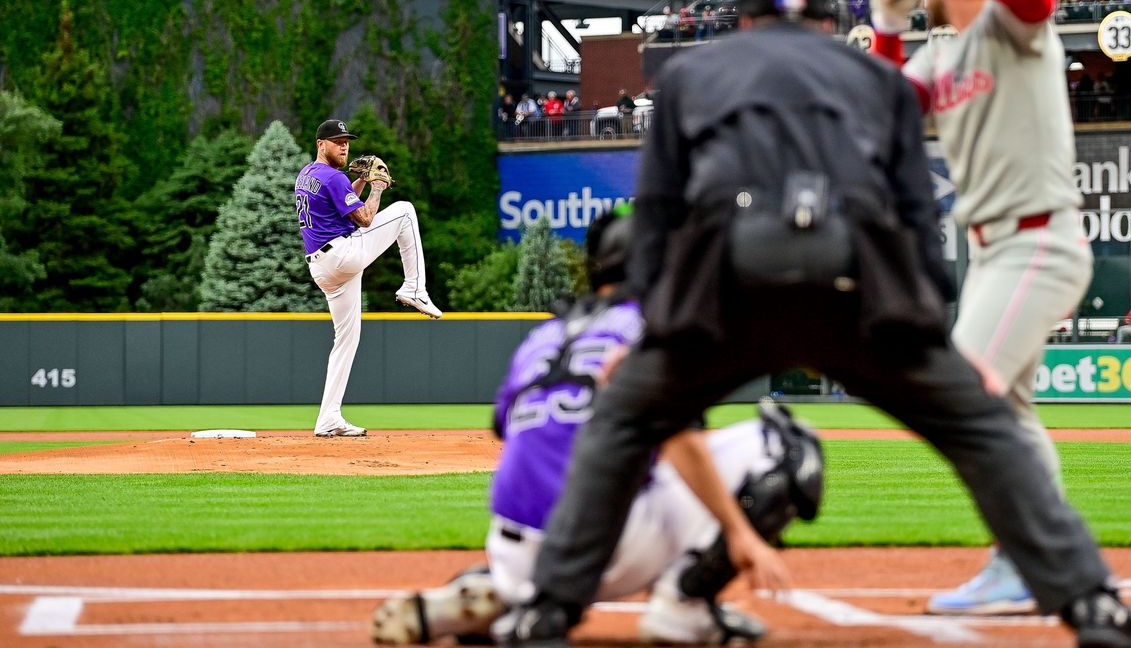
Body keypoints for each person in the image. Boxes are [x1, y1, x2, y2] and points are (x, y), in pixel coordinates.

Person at [493, 0, 1131, 648]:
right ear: (828, 27)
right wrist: (933, 335)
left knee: (624, 419)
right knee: (985, 429)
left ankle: (547, 608)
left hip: (728, 286)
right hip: (856, 281)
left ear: (744, 24)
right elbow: (913, 213)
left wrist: (651, 330)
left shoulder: (691, 76)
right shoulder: (877, 80)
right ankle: (1093, 604)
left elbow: (658, 218)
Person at [372, 208, 821, 645]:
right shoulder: (649, 327)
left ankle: (506, 589)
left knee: (612, 459)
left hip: (511, 544)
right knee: (787, 446)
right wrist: (741, 534)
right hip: (597, 550)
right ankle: (683, 609)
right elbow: (680, 439)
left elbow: (505, 427)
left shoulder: (546, 334)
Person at [868, 0, 1113, 621]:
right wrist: (888, 28)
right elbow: (880, 114)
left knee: (966, 393)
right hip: (991, 252)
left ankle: (1030, 559)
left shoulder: (1015, 27)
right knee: (1005, 411)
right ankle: (1038, 559)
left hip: (1038, 240)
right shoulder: (939, 56)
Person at [295, 119, 442, 438]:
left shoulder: (308, 174)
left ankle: (328, 417)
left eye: (346, 140)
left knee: (346, 339)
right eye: (337, 141)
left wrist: (359, 182)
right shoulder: (333, 177)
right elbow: (363, 218)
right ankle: (414, 287)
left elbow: (342, 203)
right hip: (342, 255)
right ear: (321, 144)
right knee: (404, 211)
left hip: (324, 268)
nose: (344, 145)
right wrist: (376, 186)